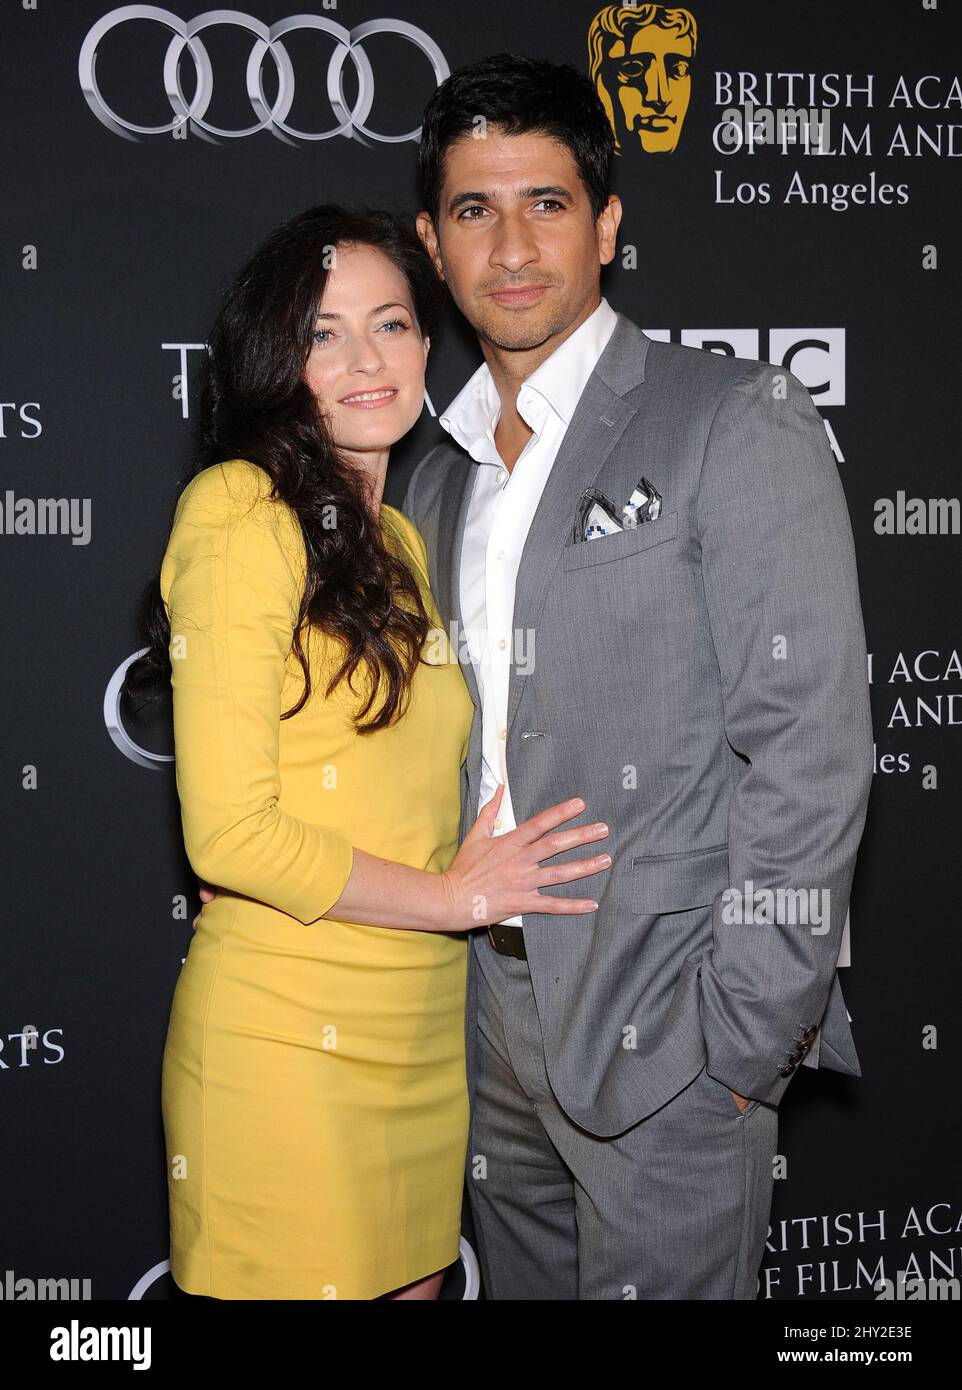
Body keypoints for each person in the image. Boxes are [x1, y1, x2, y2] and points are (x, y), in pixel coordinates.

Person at [399, 54, 875, 1299]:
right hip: (483, 1027)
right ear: (432, 245)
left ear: (605, 225)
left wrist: (741, 1039)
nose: (509, 246)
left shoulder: (730, 414)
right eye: (472, 211)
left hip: (670, 1032)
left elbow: (809, 748)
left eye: (545, 204)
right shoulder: (436, 471)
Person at [124, 205, 612, 1301]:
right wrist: (453, 895)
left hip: (422, 1034)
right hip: (287, 1043)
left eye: (389, 324)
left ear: (425, 345)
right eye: (323, 333)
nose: (364, 360)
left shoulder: (396, 540)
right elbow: (231, 832)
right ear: (274, 361)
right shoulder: (239, 512)